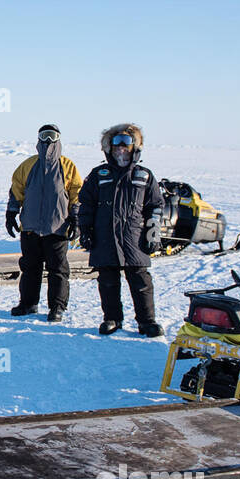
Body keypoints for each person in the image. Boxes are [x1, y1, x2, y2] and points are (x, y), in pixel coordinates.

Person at [77, 123, 164, 337]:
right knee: (107, 281)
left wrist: (153, 233)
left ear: (134, 147)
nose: (121, 148)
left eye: (126, 143)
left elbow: (156, 206)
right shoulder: (99, 174)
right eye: (116, 144)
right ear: (109, 148)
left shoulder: (144, 176)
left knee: (141, 281)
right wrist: (85, 230)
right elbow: (85, 205)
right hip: (105, 237)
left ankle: (147, 321)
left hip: (134, 237)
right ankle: (112, 319)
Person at [5, 124, 83, 322]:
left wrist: (76, 218)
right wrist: (11, 212)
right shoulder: (28, 165)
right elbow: (16, 190)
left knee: (58, 269)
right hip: (30, 227)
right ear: (38, 139)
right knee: (30, 268)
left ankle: (57, 307)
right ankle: (28, 303)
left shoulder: (68, 166)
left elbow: (76, 194)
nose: (48, 140)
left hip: (57, 228)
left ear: (58, 139)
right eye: (44, 135)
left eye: (52, 135)